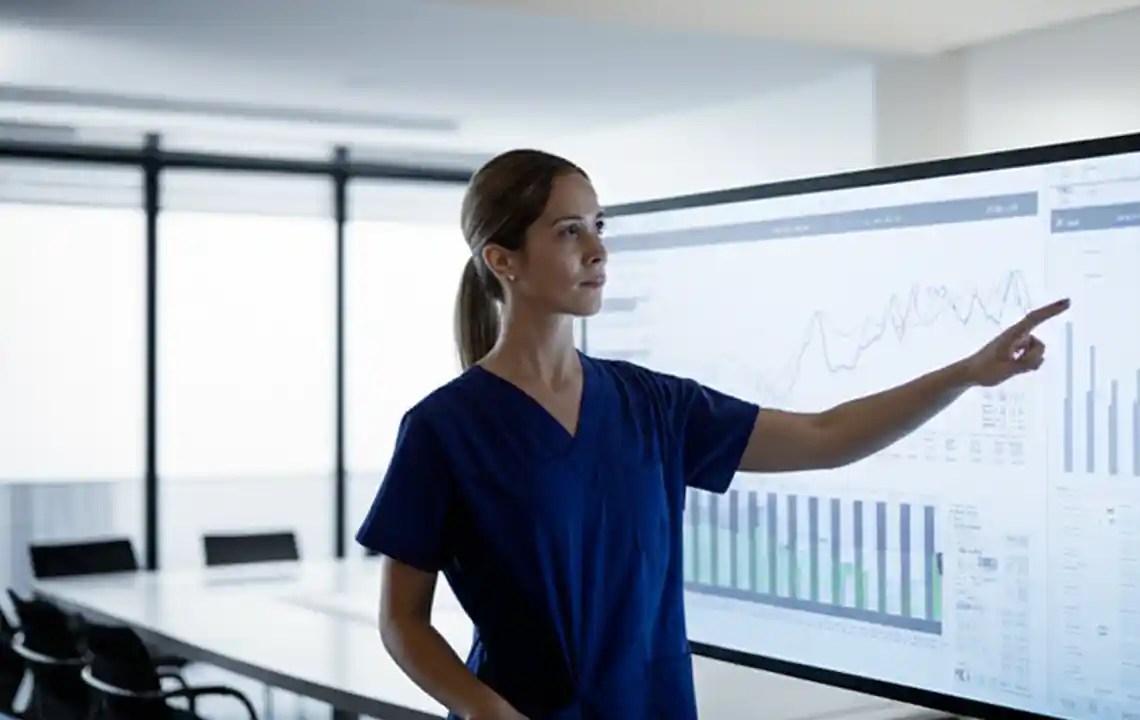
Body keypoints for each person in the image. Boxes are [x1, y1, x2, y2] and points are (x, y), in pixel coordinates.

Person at [355, 149, 1069, 720]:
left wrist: (965, 374)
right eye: (568, 230)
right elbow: (402, 621)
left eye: (600, 225)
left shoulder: (652, 406)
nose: (597, 250)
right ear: (502, 261)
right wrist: (481, 710)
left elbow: (825, 435)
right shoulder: (444, 429)